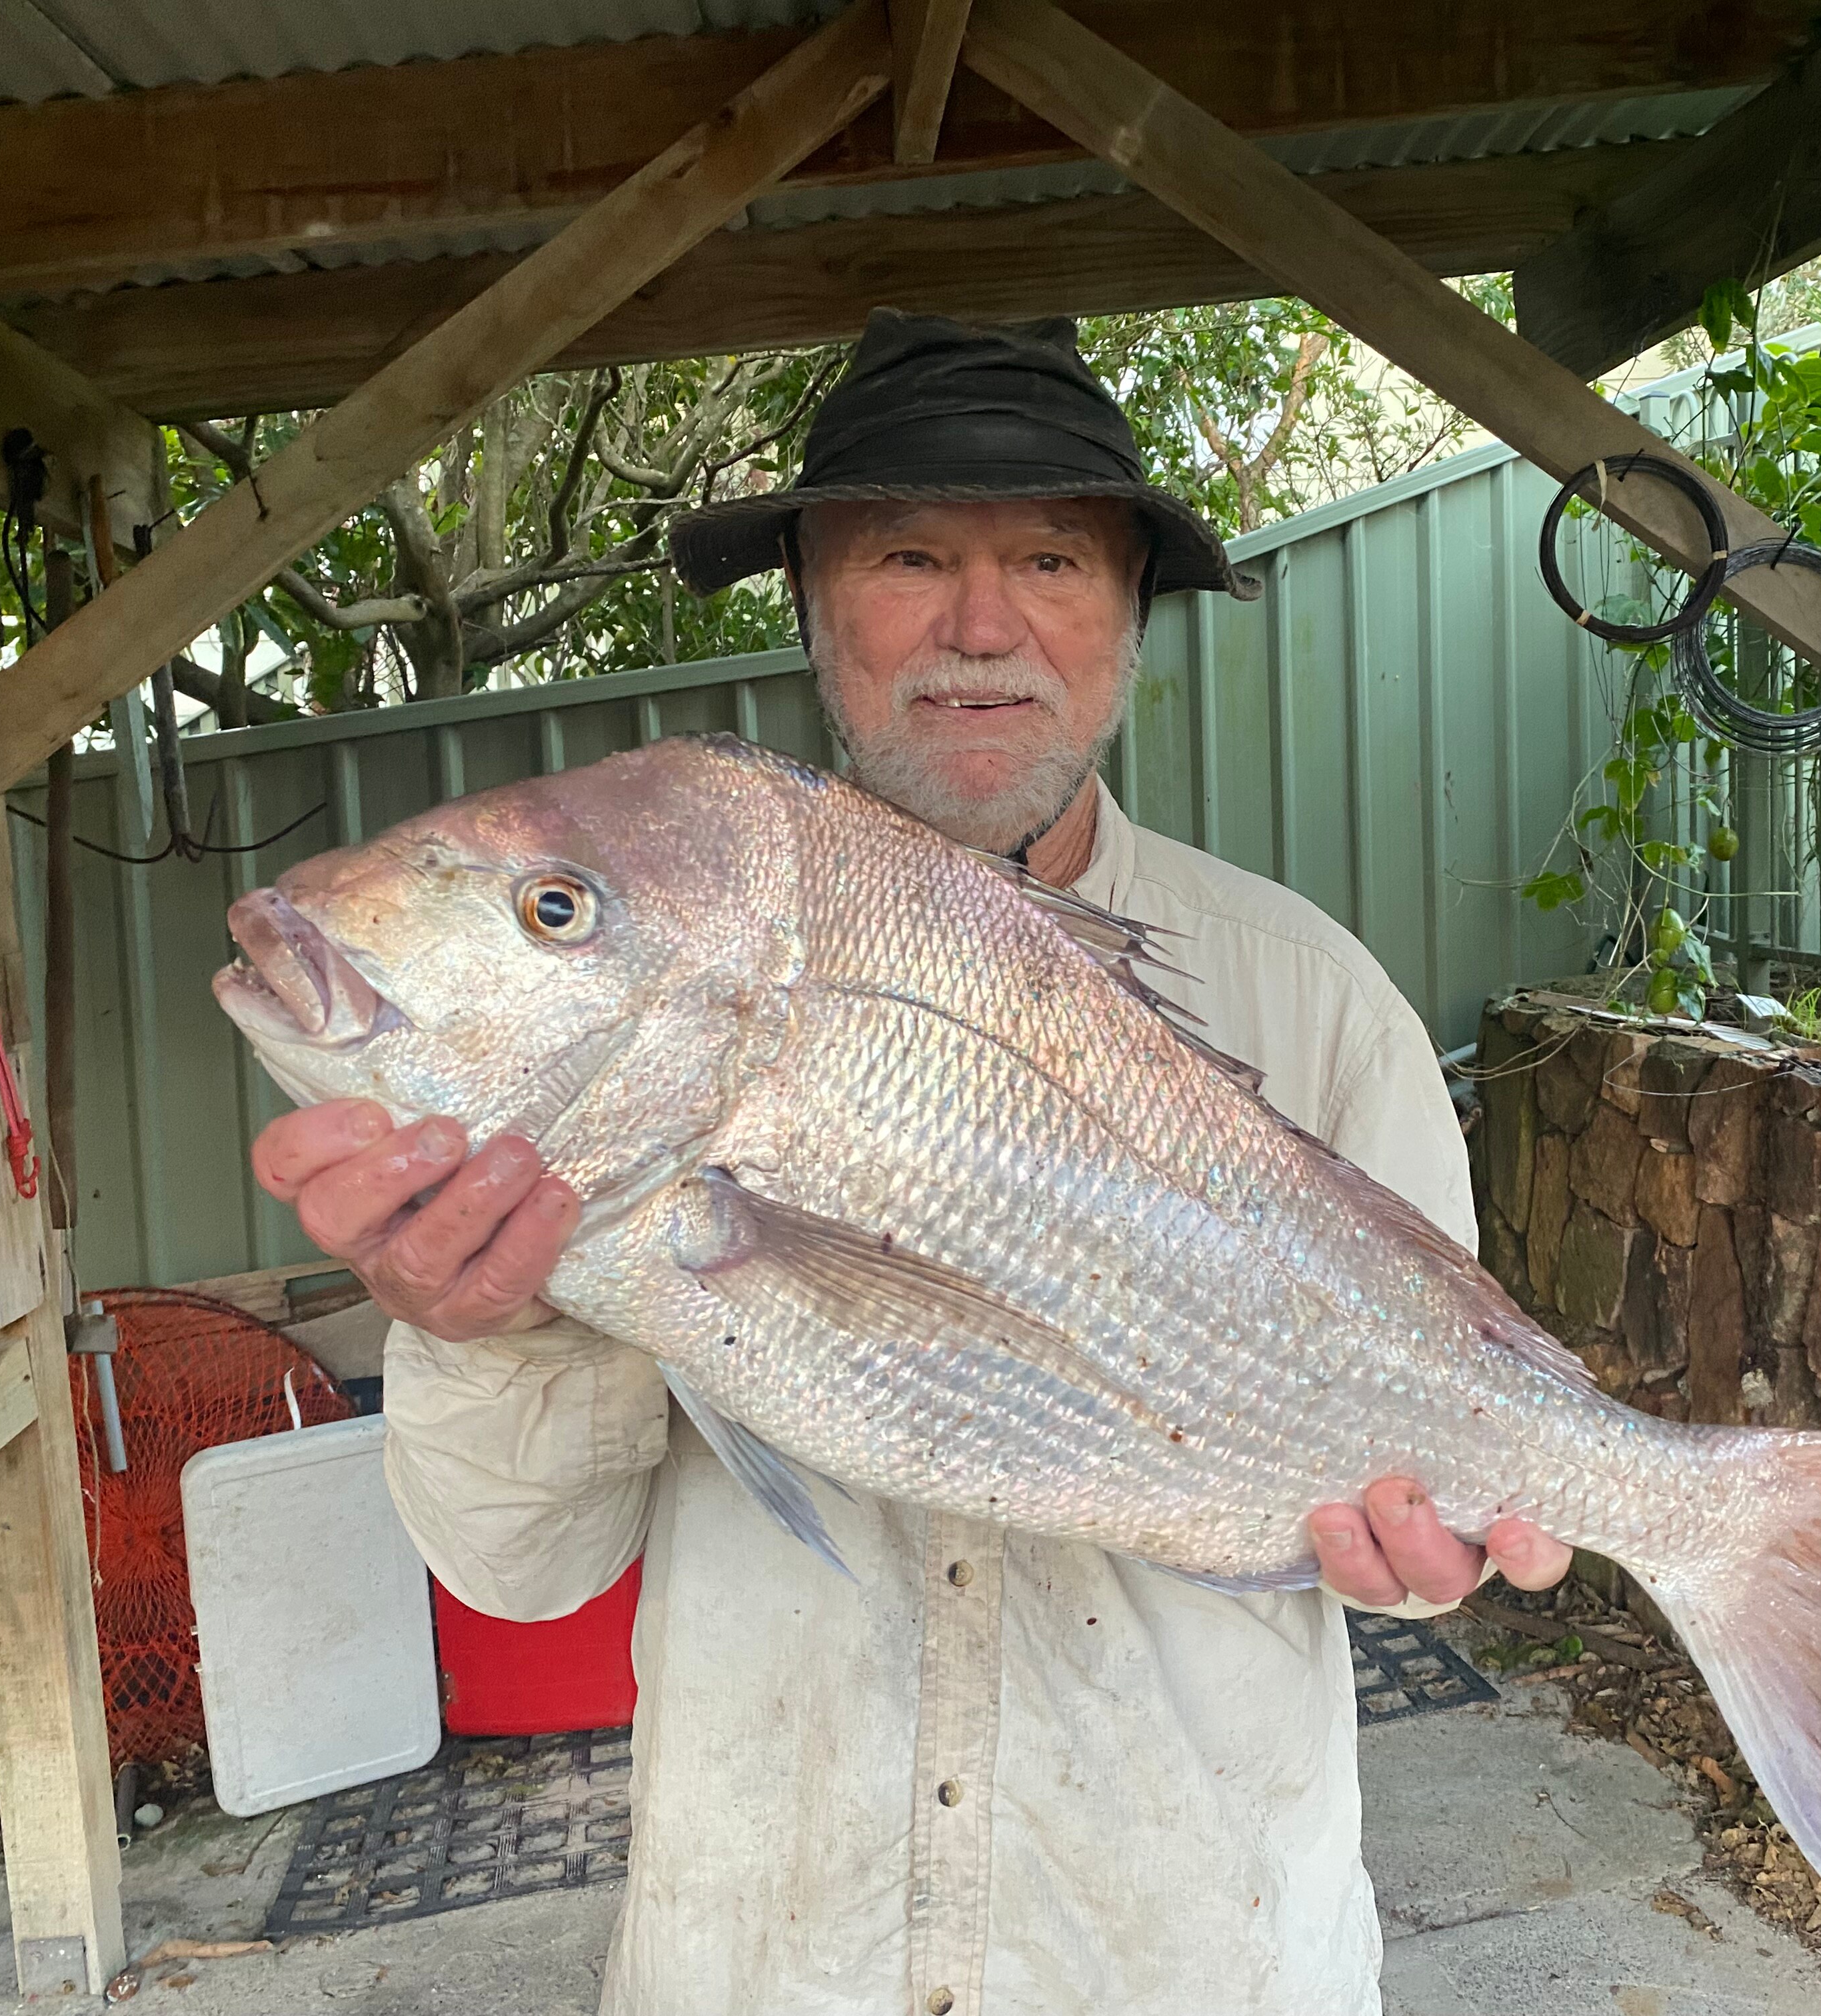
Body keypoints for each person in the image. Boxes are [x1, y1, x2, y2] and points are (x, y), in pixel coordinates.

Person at [249, 311, 1574, 2016]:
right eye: (906, 556)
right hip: (771, 1962)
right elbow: (517, 1576)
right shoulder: (634, 1045)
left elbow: (1422, 1491)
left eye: (1048, 558)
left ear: (1125, 626)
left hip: (1185, 1959)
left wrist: (1438, 1529)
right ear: (814, 604)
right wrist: (480, 1326)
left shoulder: (1315, 1009)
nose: (979, 625)